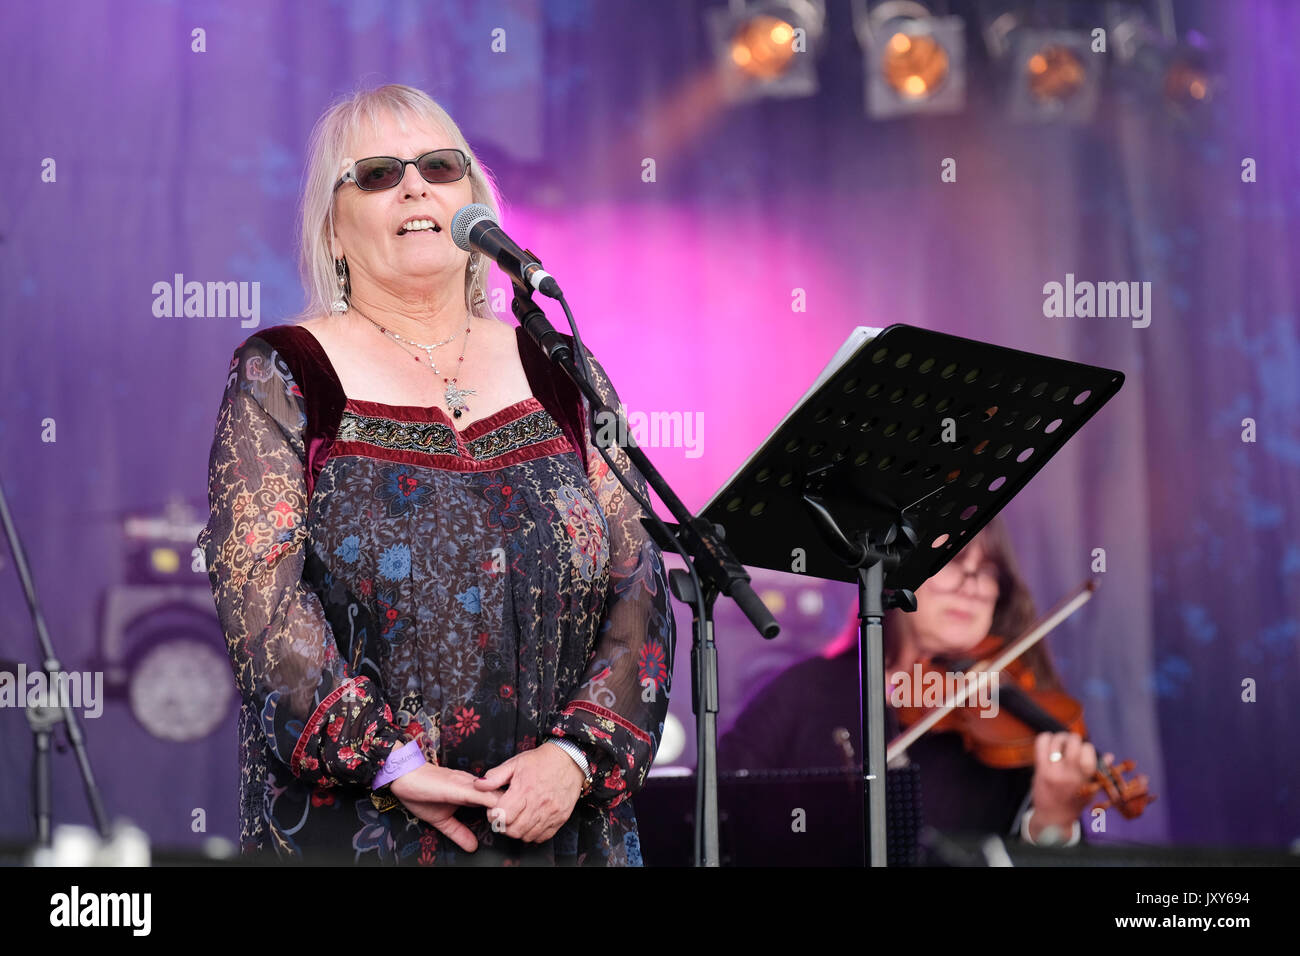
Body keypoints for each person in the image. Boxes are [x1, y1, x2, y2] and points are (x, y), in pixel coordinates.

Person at [197, 84, 674, 865]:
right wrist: (392, 764)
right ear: (333, 229)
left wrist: (575, 758)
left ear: (475, 206)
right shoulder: (285, 371)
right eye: (379, 173)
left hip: (558, 824)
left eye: (440, 166)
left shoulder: (557, 368)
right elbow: (261, 599)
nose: (416, 185)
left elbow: (640, 582)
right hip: (361, 830)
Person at [719, 516, 1098, 849]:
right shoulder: (803, 691)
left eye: (988, 570)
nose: (973, 586)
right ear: (895, 573)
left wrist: (1052, 821)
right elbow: (715, 811)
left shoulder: (1018, 719)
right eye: (952, 561)